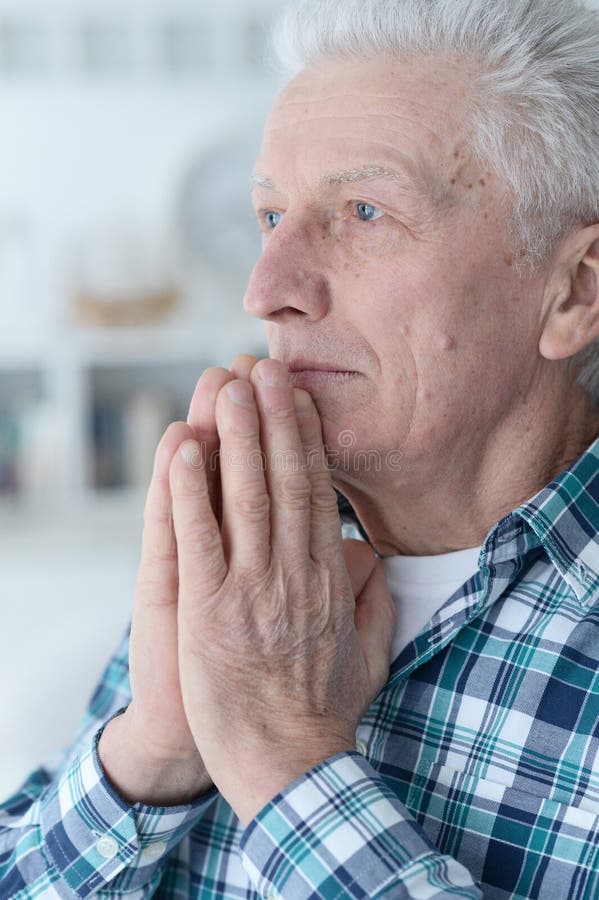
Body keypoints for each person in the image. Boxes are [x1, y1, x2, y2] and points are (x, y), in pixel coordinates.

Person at [3, 0, 599, 895]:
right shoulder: (246, 540)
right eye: (269, 215)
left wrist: (280, 756)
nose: (265, 288)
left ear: (572, 294)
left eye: (363, 211)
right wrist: (153, 747)